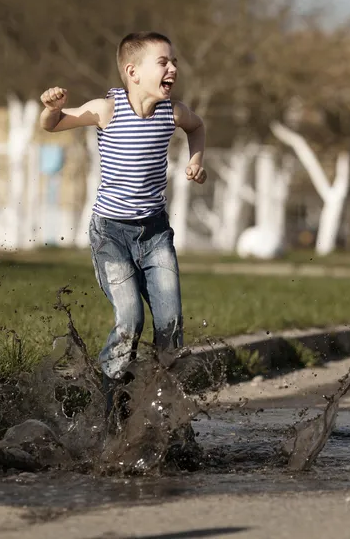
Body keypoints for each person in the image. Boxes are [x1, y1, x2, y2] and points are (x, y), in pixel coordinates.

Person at [39, 31, 207, 424]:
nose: (173, 68)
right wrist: (50, 107)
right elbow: (54, 124)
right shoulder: (106, 109)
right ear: (133, 71)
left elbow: (197, 128)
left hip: (155, 235)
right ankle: (112, 406)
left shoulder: (173, 112)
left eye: (174, 62)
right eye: (163, 62)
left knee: (170, 328)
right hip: (111, 235)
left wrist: (196, 161)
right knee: (130, 320)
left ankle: (167, 420)